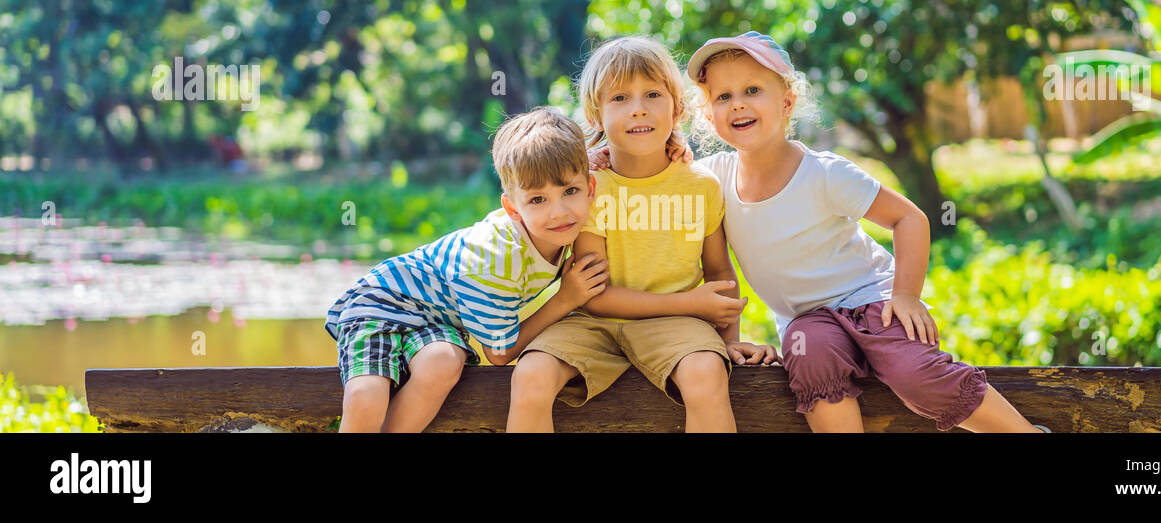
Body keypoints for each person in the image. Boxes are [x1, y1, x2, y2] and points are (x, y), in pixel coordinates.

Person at [675, 31, 1048, 433]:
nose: (739, 103)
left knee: (914, 374)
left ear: (786, 102)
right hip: (806, 321)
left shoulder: (824, 174)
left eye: (752, 89)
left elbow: (909, 219)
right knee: (810, 359)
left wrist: (905, 295)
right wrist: (606, 153)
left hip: (871, 299)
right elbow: (653, 170)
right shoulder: (713, 180)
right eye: (724, 96)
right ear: (709, 116)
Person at [507, 35, 773, 433]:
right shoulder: (588, 188)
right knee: (530, 375)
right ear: (596, 116)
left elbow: (720, 272)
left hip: (678, 325)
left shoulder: (701, 186)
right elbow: (595, 298)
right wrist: (689, 303)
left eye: (652, 94)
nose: (638, 110)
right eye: (619, 99)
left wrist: (728, 339)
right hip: (592, 323)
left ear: (676, 108)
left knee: (706, 373)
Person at [324, 107, 609, 433]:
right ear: (513, 208)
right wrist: (564, 299)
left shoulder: (559, 226)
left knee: (442, 364)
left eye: (569, 192)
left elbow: (599, 163)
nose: (559, 212)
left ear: (589, 189)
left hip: (438, 322)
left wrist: (672, 146)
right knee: (366, 395)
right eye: (538, 200)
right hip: (384, 302)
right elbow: (499, 353)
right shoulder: (498, 259)